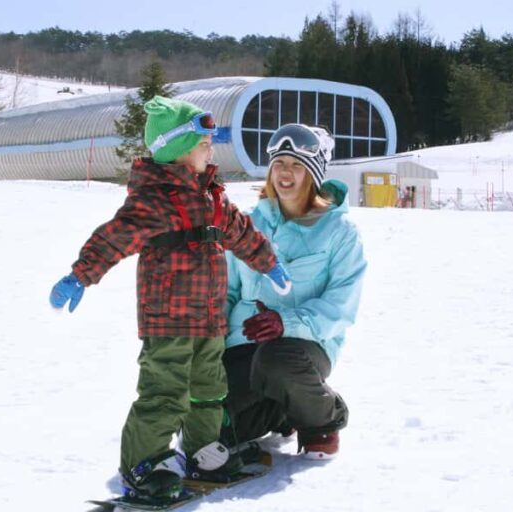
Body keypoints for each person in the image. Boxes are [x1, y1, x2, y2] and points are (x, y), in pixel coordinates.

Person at [48, 96, 291, 502]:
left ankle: (201, 451)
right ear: (179, 152)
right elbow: (114, 238)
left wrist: (268, 262)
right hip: (169, 317)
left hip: (209, 317)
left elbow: (240, 232)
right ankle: (144, 464)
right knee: (165, 391)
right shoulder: (155, 199)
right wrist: (80, 275)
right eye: (202, 145)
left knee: (209, 388)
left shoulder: (213, 196)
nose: (210, 150)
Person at [222, 123, 367, 460]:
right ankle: (283, 410)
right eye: (280, 164)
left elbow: (340, 306)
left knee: (276, 360)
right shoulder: (246, 225)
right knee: (215, 425)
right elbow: (226, 290)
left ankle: (324, 419)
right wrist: (207, 342)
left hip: (301, 349)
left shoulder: (339, 231)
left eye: (297, 166)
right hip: (242, 343)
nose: (286, 173)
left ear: (312, 174)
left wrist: (285, 322)